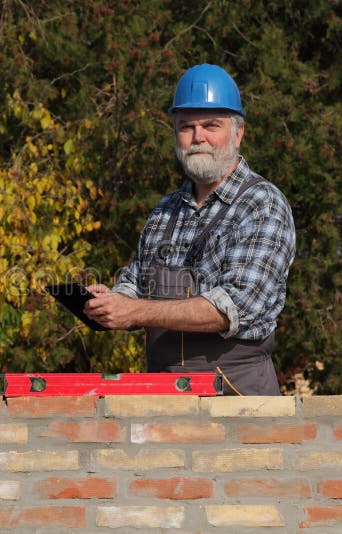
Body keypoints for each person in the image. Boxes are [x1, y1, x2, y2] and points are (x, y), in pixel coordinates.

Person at [84, 64, 296, 395]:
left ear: (237, 133)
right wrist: (111, 302)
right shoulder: (165, 211)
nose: (198, 137)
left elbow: (235, 308)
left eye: (211, 125)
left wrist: (134, 310)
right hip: (165, 398)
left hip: (236, 402)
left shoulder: (261, 203)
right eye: (186, 127)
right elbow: (136, 282)